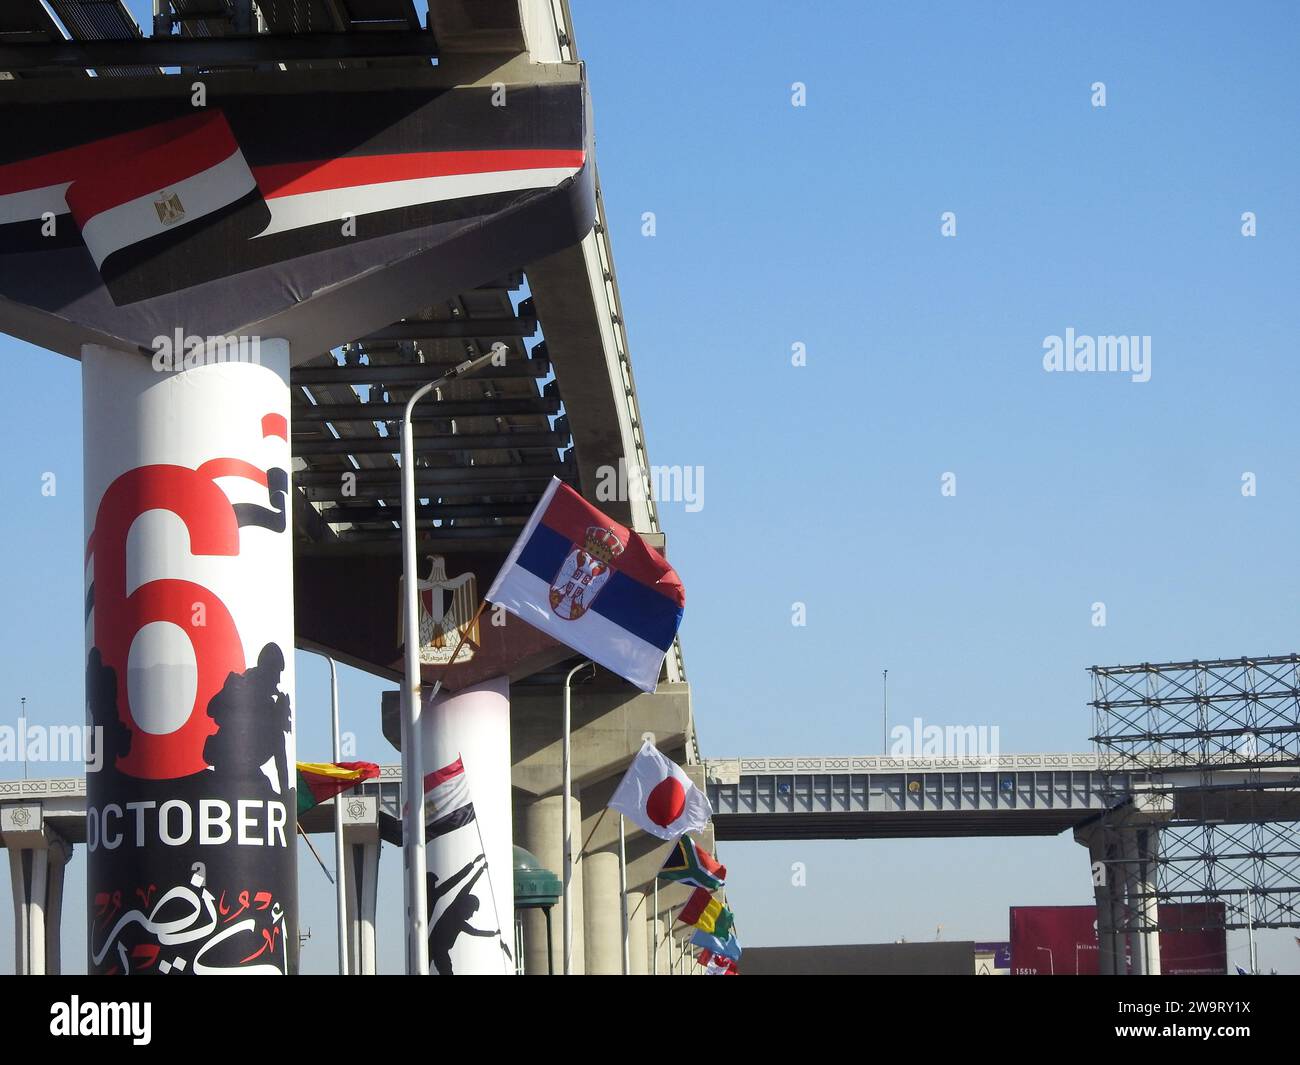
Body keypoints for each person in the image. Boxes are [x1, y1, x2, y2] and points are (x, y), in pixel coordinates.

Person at [428, 855, 500, 975]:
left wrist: (493, 933)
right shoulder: (455, 907)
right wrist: (479, 868)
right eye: (471, 912)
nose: (471, 916)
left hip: (439, 950)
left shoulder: (460, 921)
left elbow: (474, 932)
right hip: (435, 948)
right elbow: (469, 885)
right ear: (466, 907)